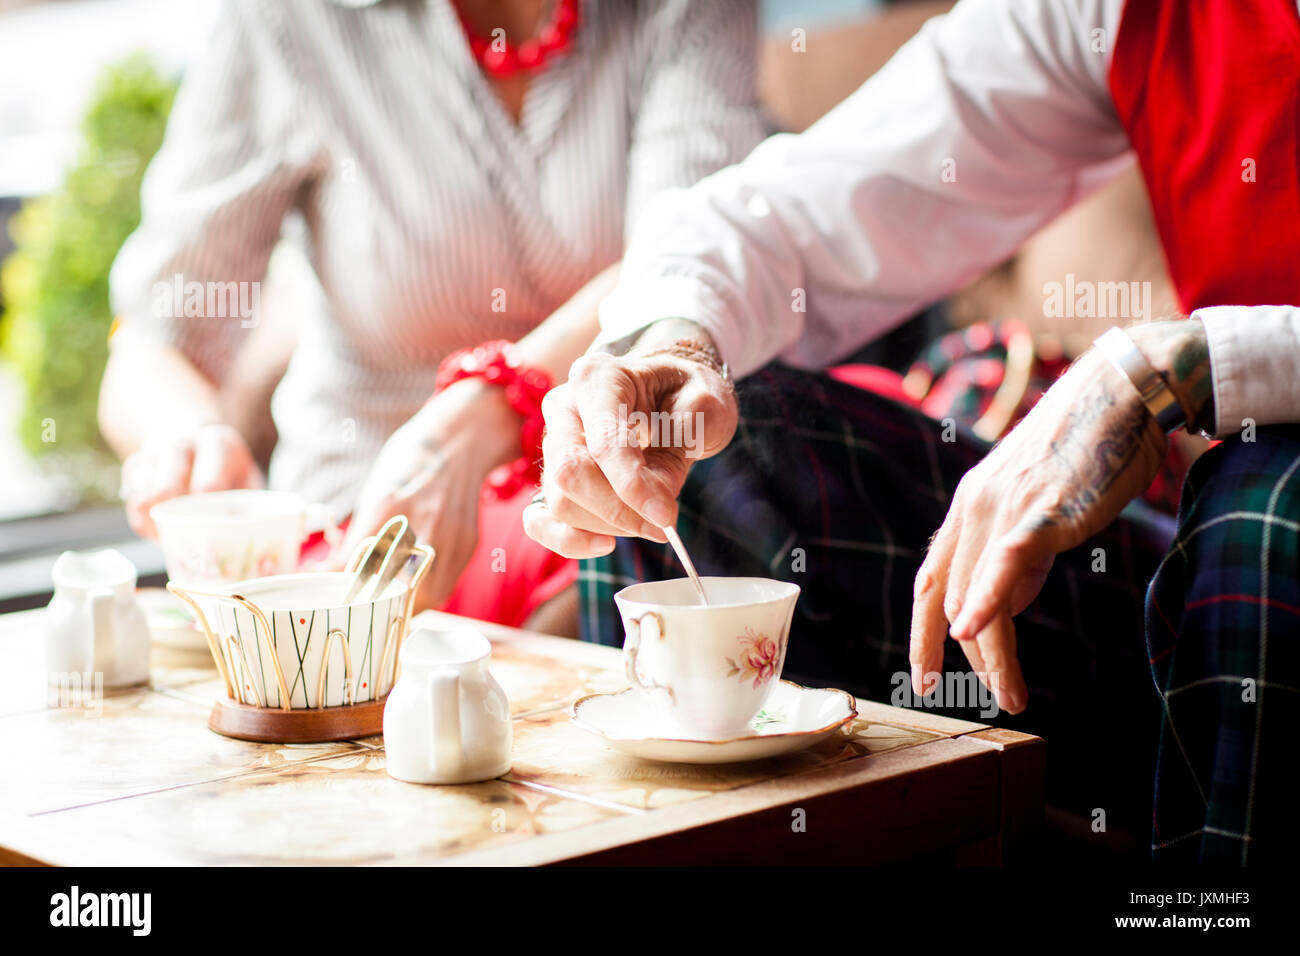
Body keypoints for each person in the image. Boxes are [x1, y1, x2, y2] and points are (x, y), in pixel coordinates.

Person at [525, 0, 1300, 862]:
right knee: (719, 448)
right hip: (1185, 623)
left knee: (1266, 503)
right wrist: (671, 352)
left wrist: (1186, 365)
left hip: (1264, 565)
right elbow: (785, 214)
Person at [99, 0, 765, 627]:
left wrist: (490, 406)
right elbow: (156, 339)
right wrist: (189, 439)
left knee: (702, 494)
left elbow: (690, 255)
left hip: (606, 495)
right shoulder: (287, 20)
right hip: (368, 528)